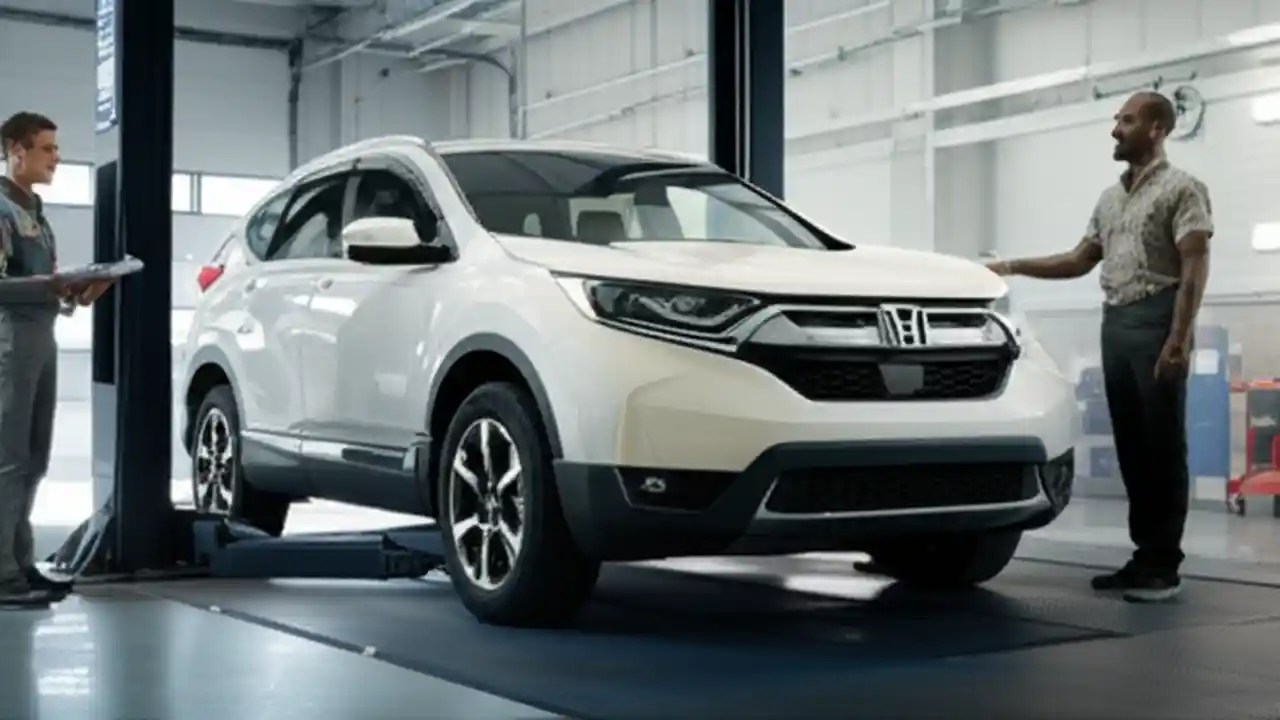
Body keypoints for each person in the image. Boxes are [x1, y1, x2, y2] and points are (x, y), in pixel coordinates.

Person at [987, 91, 1212, 603]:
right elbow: (1077, 259)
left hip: (1159, 318)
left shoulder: (1184, 189)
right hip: (1117, 321)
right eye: (1117, 120)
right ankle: (1143, 555)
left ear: (1156, 128)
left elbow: (1194, 264)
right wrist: (1010, 266)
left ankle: (1163, 565)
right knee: (1132, 445)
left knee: (1161, 444)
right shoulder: (1110, 199)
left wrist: (1178, 339)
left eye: (1127, 121)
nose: (1116, 130)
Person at [0, 112, 113, 609]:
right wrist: (51, 285)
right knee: (7, 460)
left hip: (41, 339)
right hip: (9, 343)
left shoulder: (36, 213)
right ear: (14, 150)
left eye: (55, 148)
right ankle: (2, 575)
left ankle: (21, 564)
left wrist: (80, 290)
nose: (56, 157)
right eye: (46, 148)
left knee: (35, 459)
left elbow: (48, 287)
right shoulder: (1, 209)